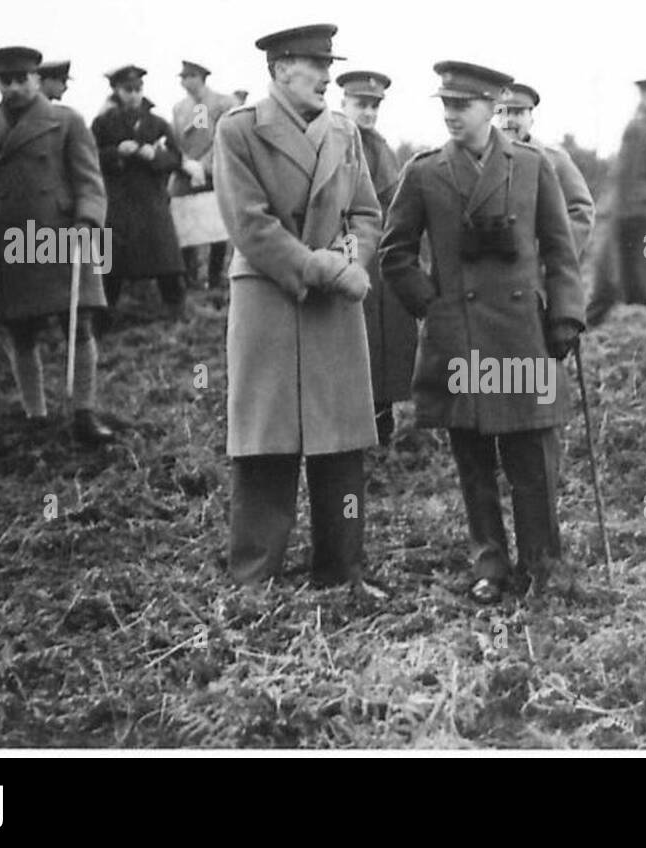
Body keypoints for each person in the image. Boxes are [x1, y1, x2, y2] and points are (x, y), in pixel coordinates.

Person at [379, 61, 585, 604]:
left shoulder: (534, 166)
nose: (450, 115)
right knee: (473, 461)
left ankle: (542, 564)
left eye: (461, 106)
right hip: (460, 337)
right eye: (444, 105)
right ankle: (489, 564)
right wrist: (433, 306)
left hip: (521, 336)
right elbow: (394, 253)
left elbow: (561, 250)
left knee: (532, 460)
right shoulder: (424, 173)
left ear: (493, 107)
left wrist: (565, 315)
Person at [213, 24, 384, 592]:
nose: (328, 75)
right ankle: (253, 581)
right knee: (266, 441)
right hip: (271, 298)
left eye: (328, 63)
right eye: (316, 64)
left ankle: (343, 573)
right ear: (282, 69)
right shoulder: (238, 131)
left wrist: (354, 259)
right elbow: (250, 224)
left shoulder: (344, 132)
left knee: (342, 444)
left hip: (334, 304)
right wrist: (321, 268)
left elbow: (365, 212)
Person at [0, 46, 115, 445]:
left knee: (79, 322)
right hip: (11, 241)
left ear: (36, 78)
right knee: (20, 329)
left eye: (23, 79)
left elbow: (90, 180)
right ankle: (35, 415)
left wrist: (89, 220)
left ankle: (84, 414)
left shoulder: (66, 121)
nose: (16, 87)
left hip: (61, 236)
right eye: (7, 80)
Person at [337, 69, 416, 446]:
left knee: (383, 340)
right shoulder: (331, 139)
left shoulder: (379, 147)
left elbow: (392, 198)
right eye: (360, 105)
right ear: (343, 104)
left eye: (373, 106)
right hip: (338, 250)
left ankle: (380, 422)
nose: (367, 113)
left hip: (377, 255)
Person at [91, 65, 188, 319]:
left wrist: (155, 155)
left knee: (165, 256)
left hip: (151, 200)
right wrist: (115, 152)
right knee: (112, 260)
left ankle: (176, 309)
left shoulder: (157, 123)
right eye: (127, 90)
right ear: (115, 91)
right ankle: (106, 314)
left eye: (137, 89)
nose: (133, 95)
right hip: (119, 201)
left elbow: (176, 158)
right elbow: (90, 157)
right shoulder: (102, 124)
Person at [588, 76, 646, 326]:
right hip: (641, 219)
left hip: (643, 215)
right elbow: (628, 174)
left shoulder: (644, 126)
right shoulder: (637, 129)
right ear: (644, 95)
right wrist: (624, 214)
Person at [496, 82, 596, 257]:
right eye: (504, 112)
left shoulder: (554, 160)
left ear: (531, 120)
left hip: (538, 268)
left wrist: (556, 254)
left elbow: (582, 211)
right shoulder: (483, 160)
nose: (509, 120)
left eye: (518, 113)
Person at [171, 60, 238, 289]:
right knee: (188, 224)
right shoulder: (179, 108)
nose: (184, 81)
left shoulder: (222, 103)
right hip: (187, 175)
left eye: (188, 76)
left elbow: (224, 138)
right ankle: (190, 276)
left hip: (215, 173)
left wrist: (205, 165)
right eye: (182, 77)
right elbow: (176, 141)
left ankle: (215, 275)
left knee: (217, 226)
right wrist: (187, 165)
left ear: (200, 77)